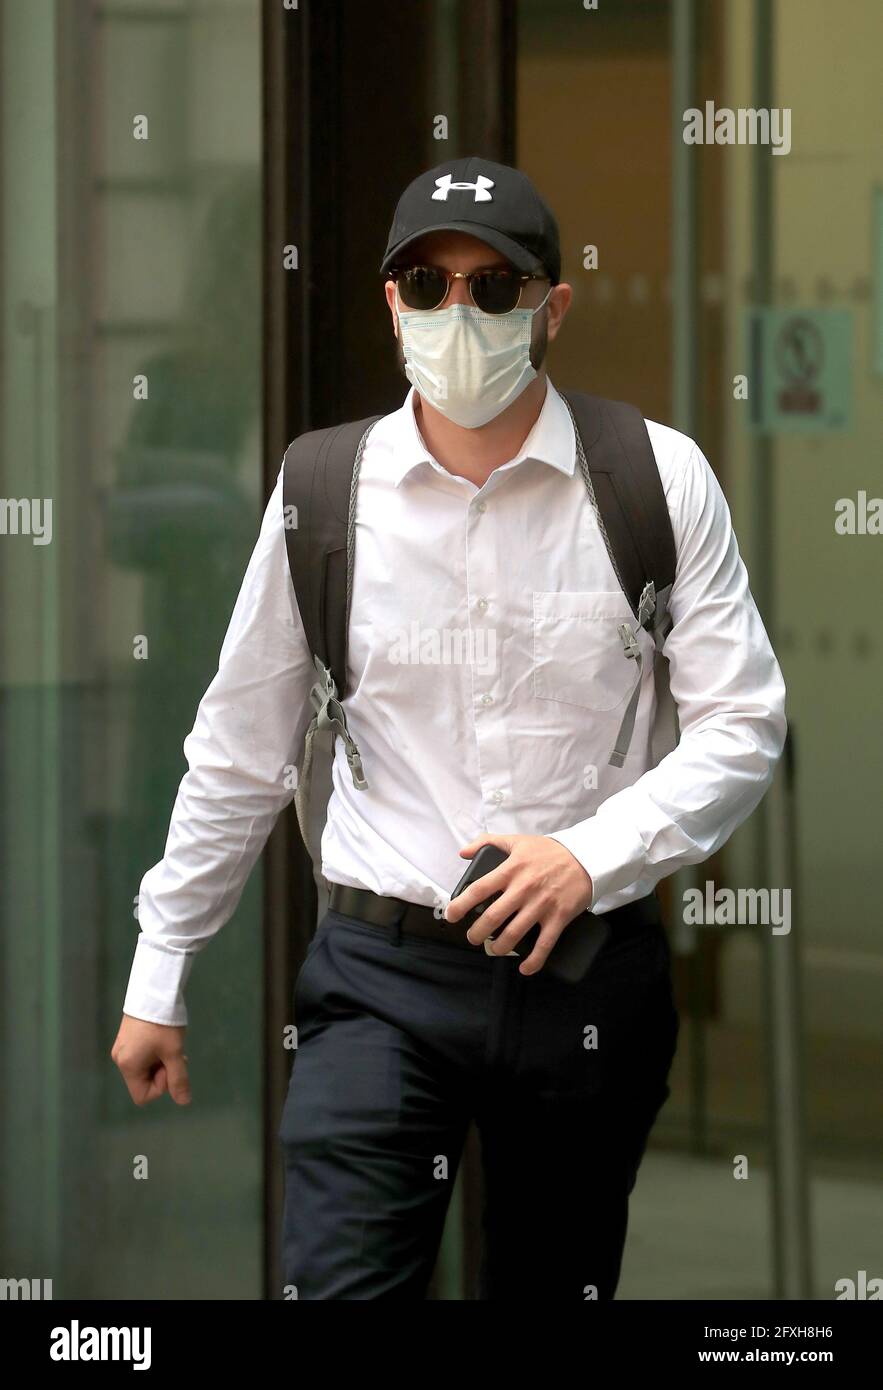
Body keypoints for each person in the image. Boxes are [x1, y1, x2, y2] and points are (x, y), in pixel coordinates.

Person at [111, 156, 787, 1300]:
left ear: (550, 306)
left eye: (494, 285)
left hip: (583, 971)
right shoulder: (320, 492)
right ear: (391, 302)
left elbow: (741, 723)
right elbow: (240, 747)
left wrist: (588, 855)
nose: (456, 312)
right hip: (382, 974)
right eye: (425, 284)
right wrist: (160, 965)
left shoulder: (652, 477)